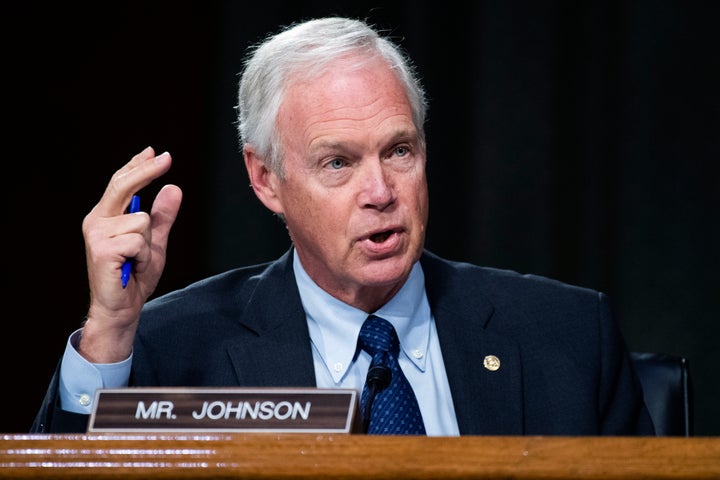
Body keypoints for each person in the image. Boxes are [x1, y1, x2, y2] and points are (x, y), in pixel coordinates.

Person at [31, 16, 655, 436]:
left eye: (399, 151)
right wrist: (110, 333)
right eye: (338, 162)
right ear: (265, 179)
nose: (381, 192)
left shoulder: (569, 337)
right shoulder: (173, 350)